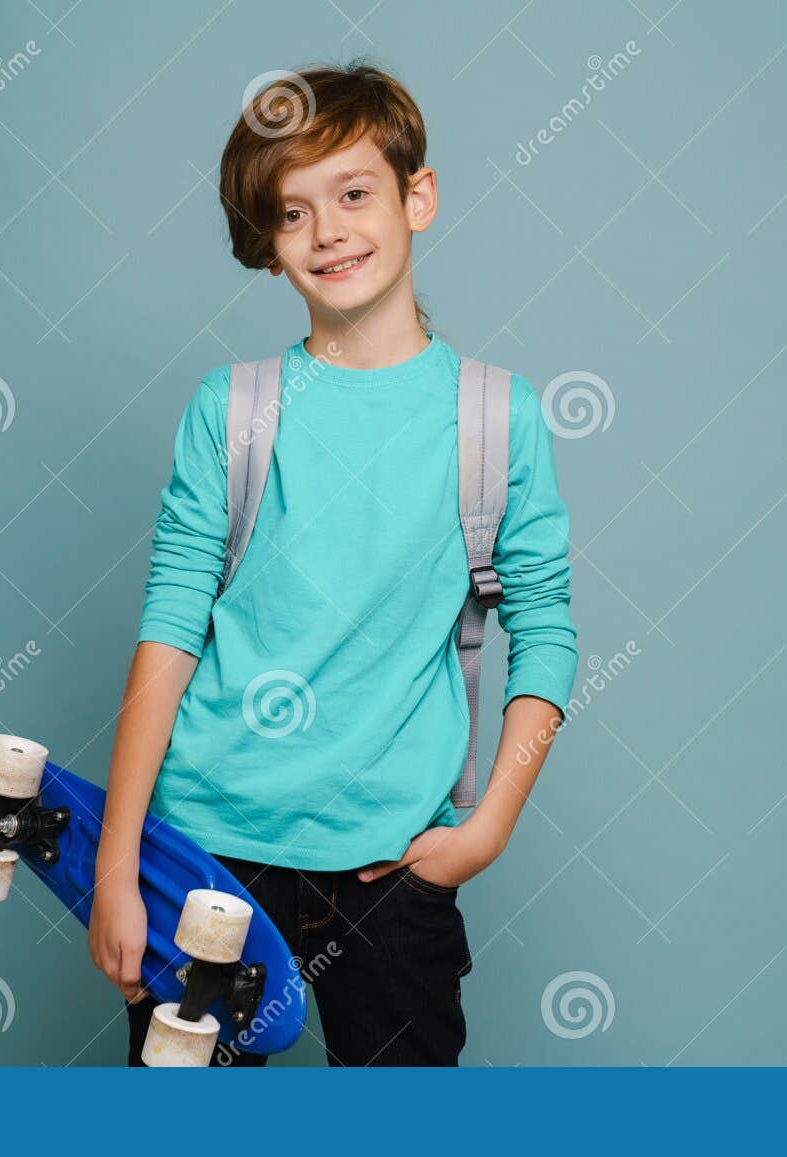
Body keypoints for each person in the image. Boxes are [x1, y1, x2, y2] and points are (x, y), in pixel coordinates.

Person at [89, 60, 578, 1066]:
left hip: (391, 866)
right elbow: (172, 627)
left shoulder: (493, 418)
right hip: (207, 855)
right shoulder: (231, 410)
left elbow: (550, 625)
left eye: (354, 194)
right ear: (267, 246)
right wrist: (117, 857)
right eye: (292, 213)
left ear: (418, 197)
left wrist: (485, 829)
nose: (329, 233)